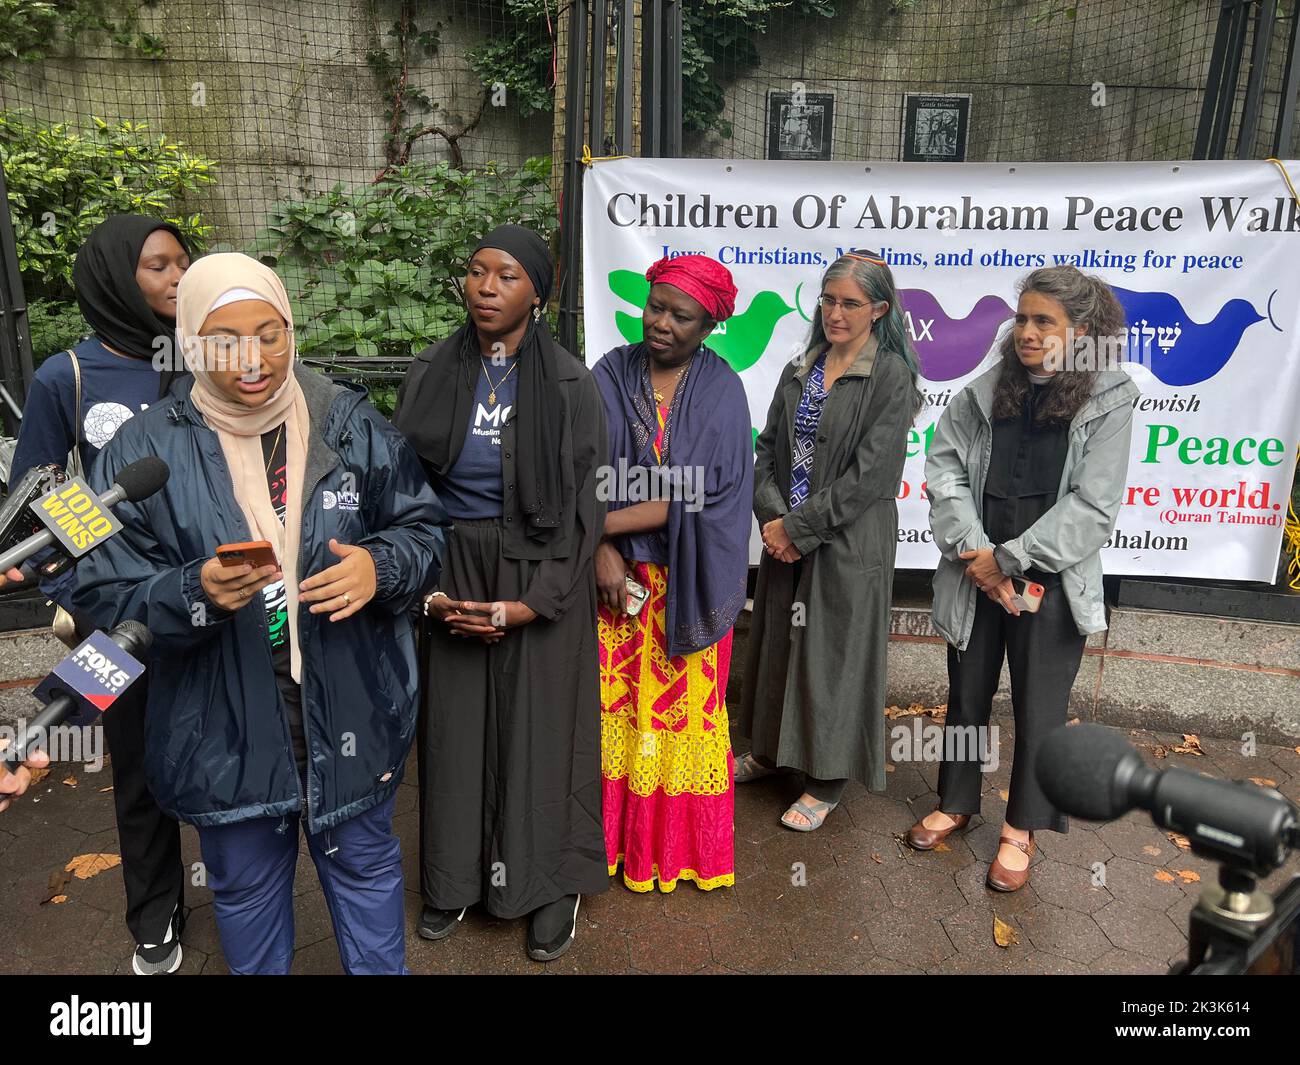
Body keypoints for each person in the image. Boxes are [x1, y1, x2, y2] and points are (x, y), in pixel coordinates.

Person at [74, 252, 446, 973]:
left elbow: (424, 530)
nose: (253, 358)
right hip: (223, 724)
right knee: (243, 888)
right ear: (189, 342)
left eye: (269, 332)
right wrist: (191, 591)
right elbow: (96, 584)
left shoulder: (348, 422)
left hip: (351, 709)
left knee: (368, 872)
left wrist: (381, 565)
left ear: (291, 328)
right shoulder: (142, 448)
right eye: (225, 340)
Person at [392, 224, 608, 962]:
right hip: (452, 567)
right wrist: (433, 593)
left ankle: (548, 887)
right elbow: (401, 489)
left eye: (506, 275)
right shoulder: (430, 370)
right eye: (477, 271)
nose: (486, 287)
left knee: (540, 737)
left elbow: (586, 513)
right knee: (454, 734)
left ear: (537, 295)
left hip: (541, 572)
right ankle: (453, 881)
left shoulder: (574, 384)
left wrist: (533, 603)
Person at [906, 265, 1137, 891]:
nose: (1027, 333)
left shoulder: (1110, 398)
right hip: (973, 576)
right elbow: (944, 467)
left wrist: (1006, 560)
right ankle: (956, 801)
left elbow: (1093, 507)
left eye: (1044, 322)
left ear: (1081, 331)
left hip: (1051, 585)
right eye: (1023, 319)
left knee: (1040, 709)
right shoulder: (986, 390)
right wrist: (974, 553)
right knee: (966, 697)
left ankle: (1021, 829)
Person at [10, 214, 192, 974]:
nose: (178, 277)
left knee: (232, 748)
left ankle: (246, 884)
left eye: (185, 261)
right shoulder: (68, 376)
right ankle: (156, 914)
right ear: (119, 277)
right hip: (116, 614)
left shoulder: (216, 356)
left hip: (207, 596)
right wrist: (82, 578)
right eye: (158, 265)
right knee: (137, 762)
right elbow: (40, 496)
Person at [736, 250, 923, 831]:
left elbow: (872, 476)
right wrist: (774, 518)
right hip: (785, 537)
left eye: (850, 303)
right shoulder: (803, 367)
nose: (835, 312)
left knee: (833, 655)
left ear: (879, 310)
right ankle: (771, 752)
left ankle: (826, 779)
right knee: (777, 645)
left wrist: (797, 529)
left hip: (846, 542)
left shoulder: (890, 375)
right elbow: (766, 451)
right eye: (828, 299)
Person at [592, 254, 753, 893]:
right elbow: (581, 470)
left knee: (679, 719)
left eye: (679, 315)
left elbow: (708, 496)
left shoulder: (722, 390)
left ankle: (676, 851)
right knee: (615, 716)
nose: (660, 322)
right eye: (655, 305)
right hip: (615, 586)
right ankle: (607, 846)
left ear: (708, 324)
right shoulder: (609, 372)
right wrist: (600, 552)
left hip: (688, 583)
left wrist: (597, 527)